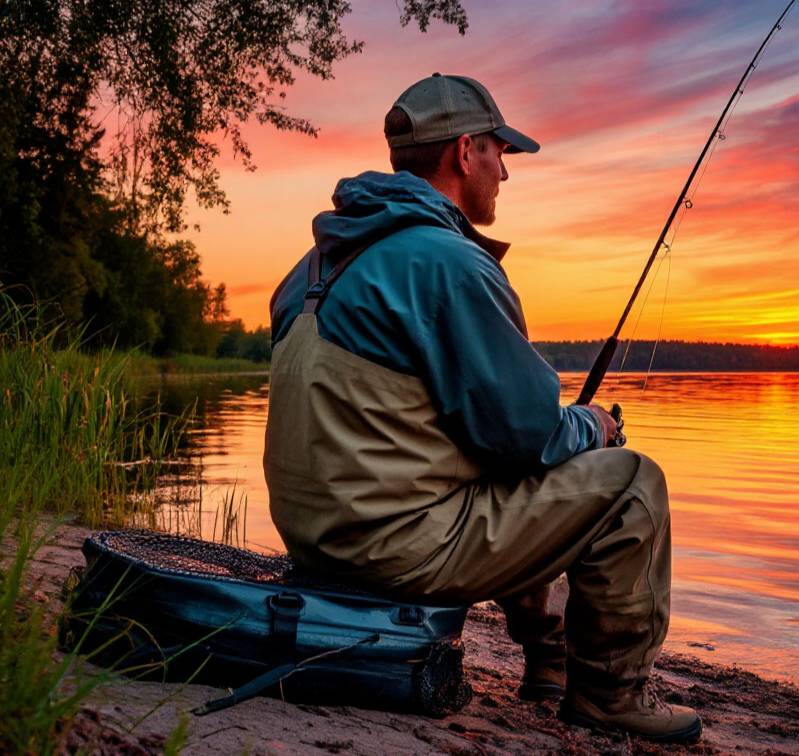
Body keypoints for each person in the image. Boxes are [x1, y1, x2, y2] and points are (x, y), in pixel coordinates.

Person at [263, 73, 701, 743]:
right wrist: (595, 425)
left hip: (315, 540)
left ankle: (549, 664)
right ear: (465, 152)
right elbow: (528, 437)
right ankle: (610, 695)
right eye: (500, 151)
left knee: (499, 465)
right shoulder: (450, 263)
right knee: (632, 483)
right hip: (392, 549)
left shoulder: (311, 265)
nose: (505, 171)